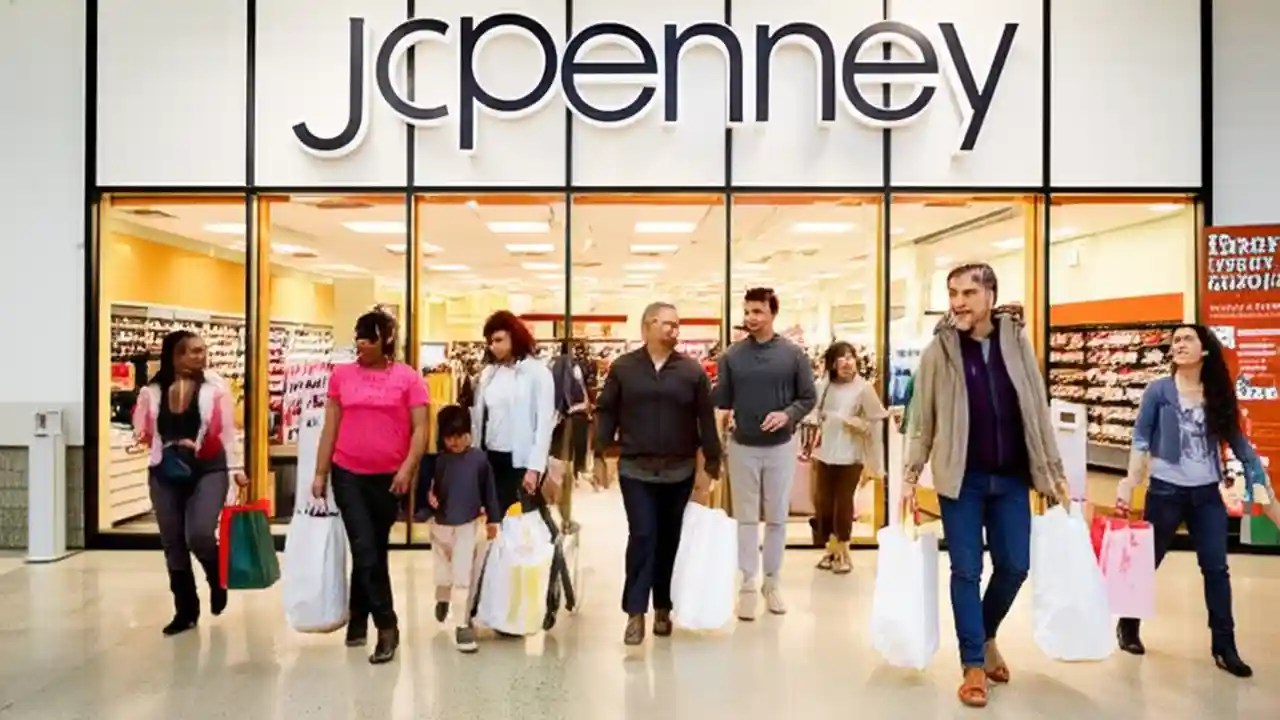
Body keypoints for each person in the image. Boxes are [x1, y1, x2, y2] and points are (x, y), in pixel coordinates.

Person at [904, 263, 1069, 708]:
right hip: (962, 478)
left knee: (1015, 564)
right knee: (966, 569)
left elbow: (1036, 407)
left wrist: (1053, 470)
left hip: (1013, 476)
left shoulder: (1016, 343)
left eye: (968, 293)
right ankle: (973, 664)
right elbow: (922, 418)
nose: (958, 302)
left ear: (990, 296)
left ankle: (988, 631)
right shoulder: (939, 350)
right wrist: (909, 473)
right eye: (953, 292)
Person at [1114, 324, 1269, 677]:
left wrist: (1260, 483)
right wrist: (1130, 482)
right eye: (1175, 340)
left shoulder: (1217, 395)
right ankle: (1129, 624)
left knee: (1216, 569)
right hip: (1165, 491)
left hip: (1206, 495)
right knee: (1145, 563)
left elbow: (1239, 443)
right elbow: (1141, 438)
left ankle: (1224, 646)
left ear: (1206, 350)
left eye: (1187, 339)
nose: (1179, 344)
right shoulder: (1159, 391)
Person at [594, 302, 722, 645]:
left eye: (677, 325)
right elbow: (606, 411)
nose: (674, 330)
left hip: (678, 470)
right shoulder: (623, 368)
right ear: (648, 325)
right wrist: (598, 453)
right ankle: (635, 612)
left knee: (669, 540)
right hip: (636, 468)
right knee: (643, 535)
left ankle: (663, 605)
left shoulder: (692, 372)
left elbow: (705, 420)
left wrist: (710, 464)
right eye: (667, 324)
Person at [312, 310, 428, 665]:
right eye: (358, 336)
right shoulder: (342, 376)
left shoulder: (409, 378)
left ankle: (358, 619)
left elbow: (421, 429)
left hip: (390, 476)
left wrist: (408, 468)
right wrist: (320, 472)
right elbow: (330, 425)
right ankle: (387, 625)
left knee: (374, 548)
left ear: (387, 340)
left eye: (370, 337)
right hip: (348, 472)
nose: (362, 344)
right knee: (365, 548)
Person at [132, 330, 249, 636]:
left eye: (202, 350)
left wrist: (236, 469)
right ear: (175, 355)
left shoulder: (215, 388)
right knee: (173, 542)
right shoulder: (152, 392)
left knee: (198, 534)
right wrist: (166, 442)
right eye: (193, 351)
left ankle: (215, 576)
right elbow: (143, 433)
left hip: (208, 469)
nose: (201, 356)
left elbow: (226, 433)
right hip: (165, 471)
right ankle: (185, 609)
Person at [714, 288, 817, 620]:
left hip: (781, 447)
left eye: (757, 311)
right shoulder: (731, 356)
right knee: (745, 519)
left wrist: (788, 414)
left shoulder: (793, 355)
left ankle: (771, 583)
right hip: (742, 446)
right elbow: (722, 403)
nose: (750, 318)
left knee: (776, 519)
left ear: (773, 313)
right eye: (747, 311)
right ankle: (746, 584)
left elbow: (808, 397)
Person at [426, 404, 500, 654]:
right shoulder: (437, 461)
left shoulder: (479, 459)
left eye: (460, 435)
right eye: (449, 437)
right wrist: (429, 498)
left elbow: (489, 489)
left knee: (462, 575)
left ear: (469, 432)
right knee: (442, 571)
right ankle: (443, 598)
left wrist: (493, 519)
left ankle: (462, 624)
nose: (455, 442)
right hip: (439, 527)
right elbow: (427, 489)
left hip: (467, 524)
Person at [809, 341, 887, 575]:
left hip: (851, 456)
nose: (846, 362)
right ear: (832, 363)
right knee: (824, 503)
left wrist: (852, 423)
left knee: (843, 502)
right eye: (841, 358)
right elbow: (812, 412)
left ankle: (844, 551)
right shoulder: (823, 386)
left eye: (850, 357)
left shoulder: (863, 389)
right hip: (824, 453)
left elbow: (876, 421)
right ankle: (831, 549)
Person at [471, 311, 556, 515]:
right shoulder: (489, 374)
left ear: (514, 336)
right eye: (491, 341)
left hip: (522, 460)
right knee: (496, 519)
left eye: (499, 339)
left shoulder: (537, 373)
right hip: (491, 456)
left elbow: (544, 424)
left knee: (523, 522)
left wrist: (535, 467)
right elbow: (480, 419)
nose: (494, 346)